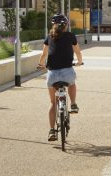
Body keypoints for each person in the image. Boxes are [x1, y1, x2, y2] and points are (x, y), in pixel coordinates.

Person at [38, 14, 83, 142]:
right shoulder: (70, 36)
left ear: (53, 25)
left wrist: (41, 64)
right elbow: (78, 52)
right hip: (67, 72)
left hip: (52, 75)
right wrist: (79, 62)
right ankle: (73, 104)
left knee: (53, 103)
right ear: (66, 25)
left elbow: (44, 54)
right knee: (72, 84)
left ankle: (52, 131)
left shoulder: (49, 37)